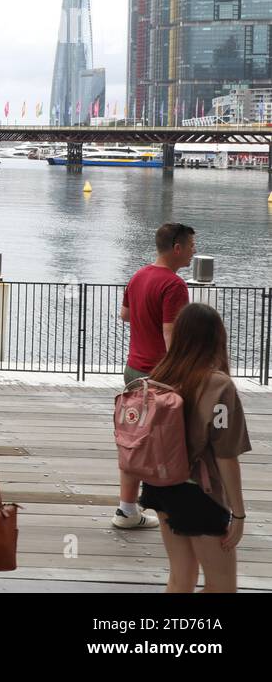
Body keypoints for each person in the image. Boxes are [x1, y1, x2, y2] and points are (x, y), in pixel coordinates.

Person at [140, 304, 250, 592]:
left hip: (160, 484)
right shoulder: (218, 385)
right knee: (222, 585)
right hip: (199, 493)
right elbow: (226, 455)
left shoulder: (160, 374)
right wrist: (238, 514)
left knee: (180, 577)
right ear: (216, 337)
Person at [115, 222, 195, 529]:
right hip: (161, 374)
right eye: (190, 245)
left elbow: (124, 315)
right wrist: (184, 374)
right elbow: (170, 334)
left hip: (133, 369)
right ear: (177, 248)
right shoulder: (174, 285)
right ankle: (175, 510)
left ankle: (126, 510)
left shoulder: (138, 276)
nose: (193, 250)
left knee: (132, 439)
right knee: (174, 443)